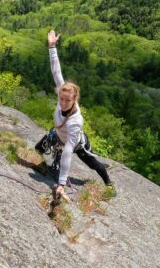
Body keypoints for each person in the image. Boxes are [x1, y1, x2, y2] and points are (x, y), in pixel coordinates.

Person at [35, 29, 113, 201]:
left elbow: (68, 152)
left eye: (67, 100)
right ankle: (43, 159)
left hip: (77, 144)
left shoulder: (75, 121)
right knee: (38, 149)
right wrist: (52, 46)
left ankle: (108, 181)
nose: (62, 103)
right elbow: (56, 72)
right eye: (61, 98)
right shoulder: (63, 92)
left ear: (74, 99)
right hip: (57, 134)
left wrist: (61, 183)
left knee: (94, 165)